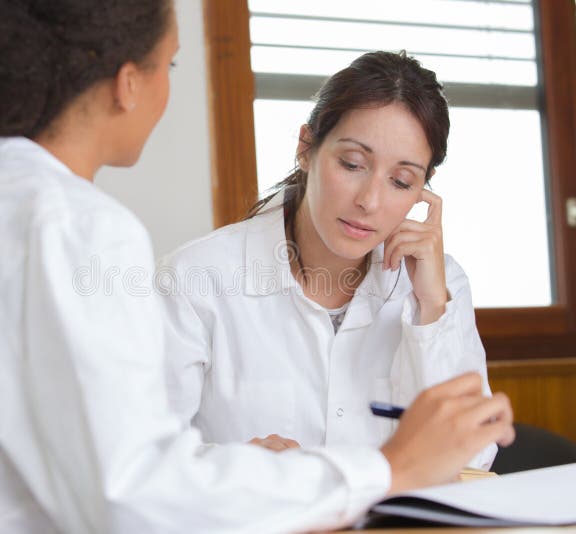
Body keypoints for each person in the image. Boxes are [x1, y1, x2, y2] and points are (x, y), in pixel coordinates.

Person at [0, 2, 513, 532]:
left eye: (402, 179)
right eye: (171, 64)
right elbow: (136, 500)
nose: (370, 198)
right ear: (129, 84)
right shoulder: (74, 230)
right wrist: (380, 469)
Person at [160, 51, 497, 467]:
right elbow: (143, 459)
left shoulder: (440, 286)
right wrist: (236, 466)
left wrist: (431, 313)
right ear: (306, 148)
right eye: (352, 164)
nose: (369, 201)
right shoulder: (197, 280)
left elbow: (475, 457)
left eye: (401, 181)